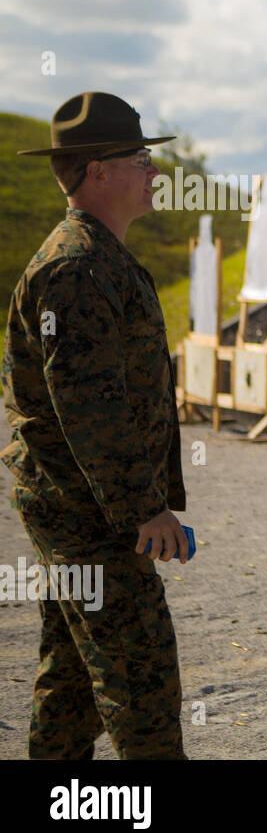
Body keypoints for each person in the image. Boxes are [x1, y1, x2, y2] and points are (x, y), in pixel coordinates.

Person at [3, 91, 190, 759]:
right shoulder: (79, 267)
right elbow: (89, 406)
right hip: (91, 515)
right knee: (143, 687)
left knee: (74, 684)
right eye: (140, 158)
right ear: (97, 172)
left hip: (82, 508)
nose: (153, 171)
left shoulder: (96, 256)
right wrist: (145, 509)